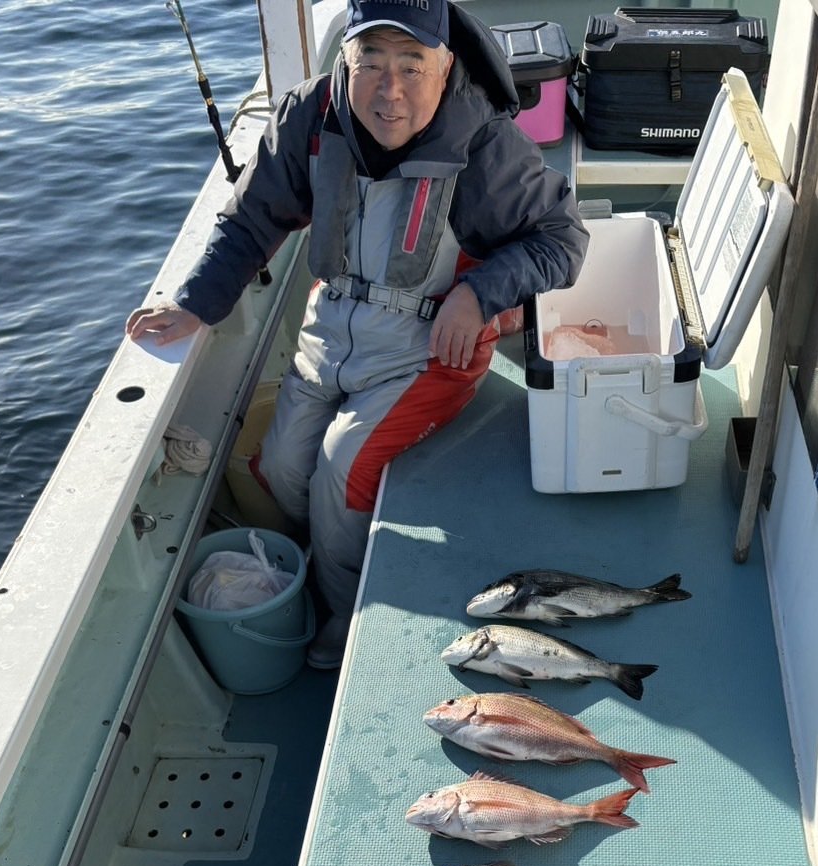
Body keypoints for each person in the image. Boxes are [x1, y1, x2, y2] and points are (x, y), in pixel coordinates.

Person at [127, 0, 587, 669]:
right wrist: (195, 304)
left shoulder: (484, 145)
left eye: (411, 65)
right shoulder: (309, 116)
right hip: (330, 332)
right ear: (344, 58)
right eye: (370, 62)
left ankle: (344, 616)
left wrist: (477, 295)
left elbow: (562, 240)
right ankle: (329, 559)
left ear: (445, 66)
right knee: (281, 467)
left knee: (341, 474)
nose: (389, 90)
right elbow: (251, 219)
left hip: (429, 350)